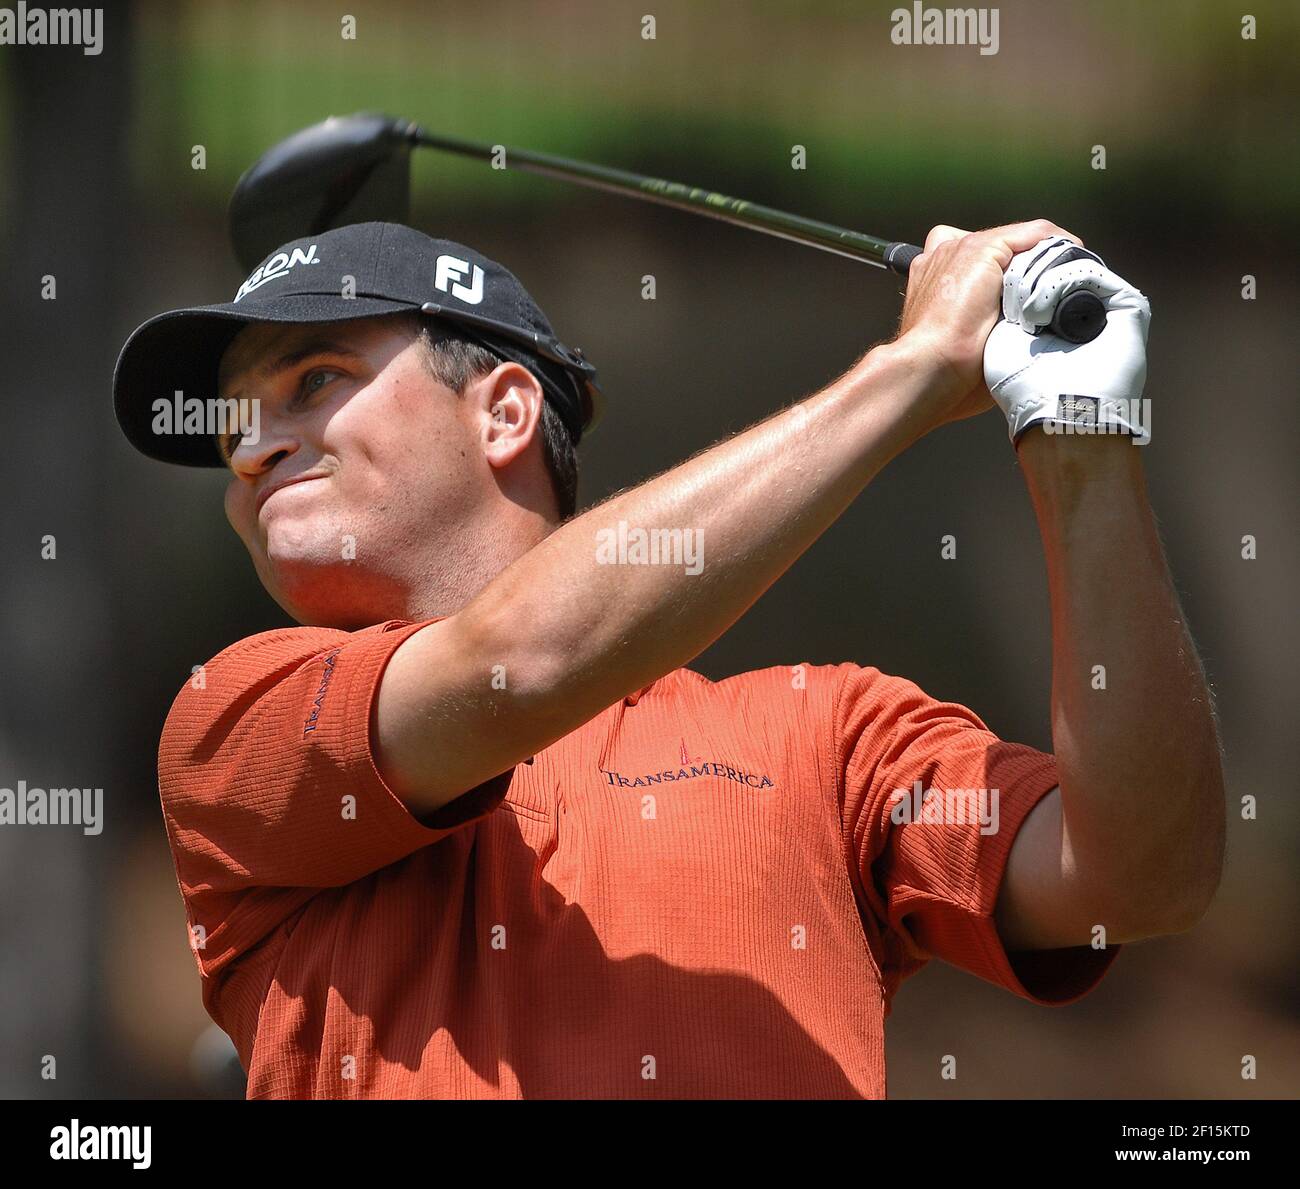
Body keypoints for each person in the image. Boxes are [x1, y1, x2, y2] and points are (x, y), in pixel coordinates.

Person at [112, 217, 1224, 1099]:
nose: (253, 450)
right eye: (231, 434)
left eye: (311, 380)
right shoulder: (230, 716)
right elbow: (524, 662)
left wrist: (1081, 449)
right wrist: (912, 371)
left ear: (503, 412)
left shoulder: (827, 735)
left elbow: (1139, 878)